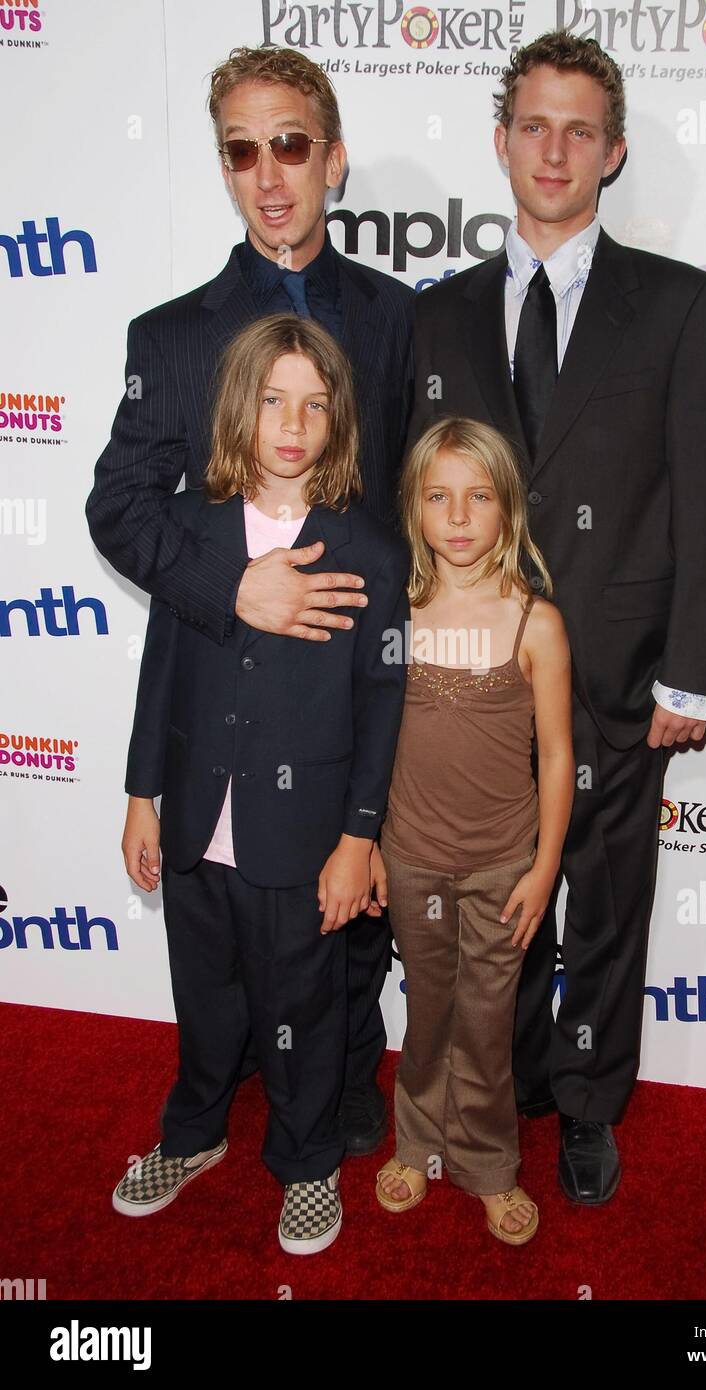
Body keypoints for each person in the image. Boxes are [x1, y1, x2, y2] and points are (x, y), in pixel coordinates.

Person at [405, 32, 706, 1205]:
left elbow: (704, 490)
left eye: (577, 130)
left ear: (612, 152)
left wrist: (693, 667)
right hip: (464, 681)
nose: (553, 149)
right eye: (532, 125)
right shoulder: (434, 314)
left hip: (615, 660)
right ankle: (501, 1079)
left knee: (599, 895)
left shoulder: (678, 305)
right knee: (487, 895)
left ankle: (589, 1100)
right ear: (500, 142)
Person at [87, 45, 415, 1155]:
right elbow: (118, 510)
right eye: (241, 150)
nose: (268, 173)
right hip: (219, 692)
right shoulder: (170, 337)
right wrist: (232, 586)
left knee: (347, 909)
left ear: (331, 158)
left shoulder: (397, 320)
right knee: (219, 929)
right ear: (224, 169)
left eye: (289, 144)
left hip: (353, 698)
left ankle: (339, 1074)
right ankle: (220, 1089)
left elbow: (426, 501)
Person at [111, 315, 409, 1253]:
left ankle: (309, 1157)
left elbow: (382, 704)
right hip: (198, 822)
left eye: (315, 404)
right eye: (274, 399)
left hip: (304, 834)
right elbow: (162, 669)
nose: (293, 421)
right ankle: (193, 1134)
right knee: (205, 999)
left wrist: (358, 839)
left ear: (338, 422)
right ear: (239, 409)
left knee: (304, 1009)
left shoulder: (370, 550)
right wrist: (140, 796)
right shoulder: (192, 531)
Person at [374, 418, 574, 1244]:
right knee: (427, 1018)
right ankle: (416, 1141)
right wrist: (371, 848)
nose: (458, 516)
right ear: (415, 508)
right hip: (410, 859)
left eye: (479, 497)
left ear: (508, 509)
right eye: (438, 497)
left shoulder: (538, 624)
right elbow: (365, 743)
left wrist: (543, 868)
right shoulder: (394, 611)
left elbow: (559, 760)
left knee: (488, 1025)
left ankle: (490, 1164)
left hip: (503, 868)